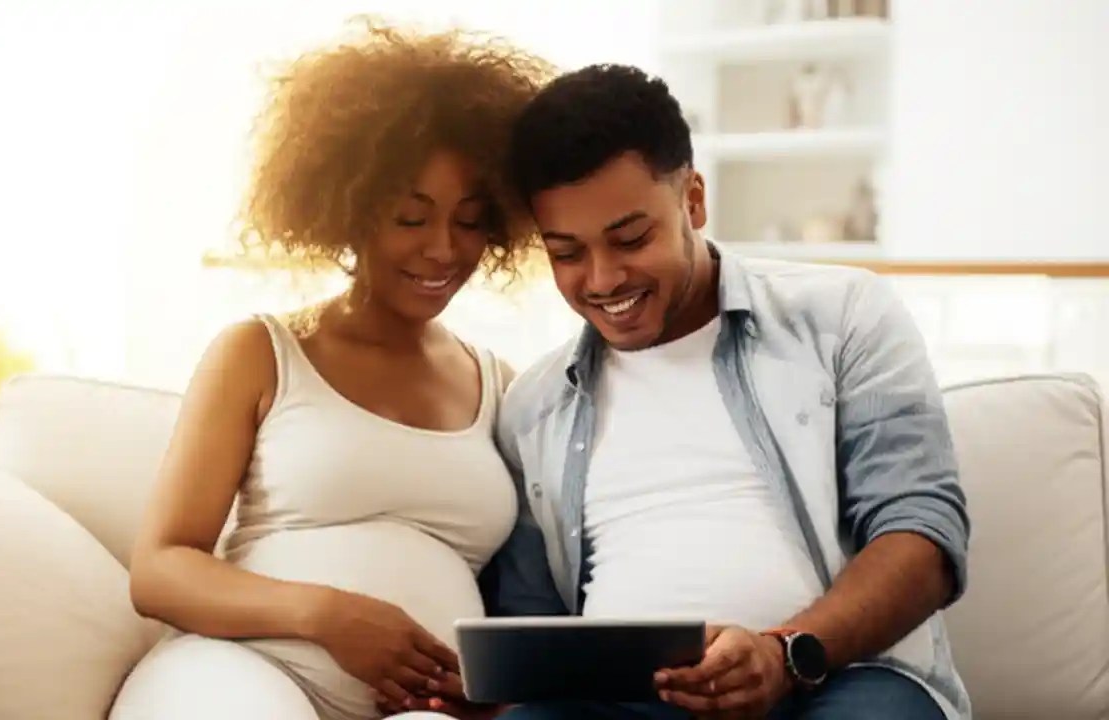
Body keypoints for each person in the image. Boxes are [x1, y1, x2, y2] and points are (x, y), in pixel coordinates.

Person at [463, 64, 971, 720]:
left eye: (631, 239)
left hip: (838, 680)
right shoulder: (535, 405)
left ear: (694, 201)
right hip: (626, 705)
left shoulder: (843, 315)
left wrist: (783, 654)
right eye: (567, 253)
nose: (603, 279)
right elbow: (530, 623)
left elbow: (923, 536)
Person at [109, 21, 549, 720]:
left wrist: (488, 690)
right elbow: (160, 569)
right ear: (349, 211)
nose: (443, 249)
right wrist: (328, 616)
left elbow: (522, 596)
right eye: (410, 218)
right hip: (239, 668)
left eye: (470, 221)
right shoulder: (261, 353)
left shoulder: (500, 386)